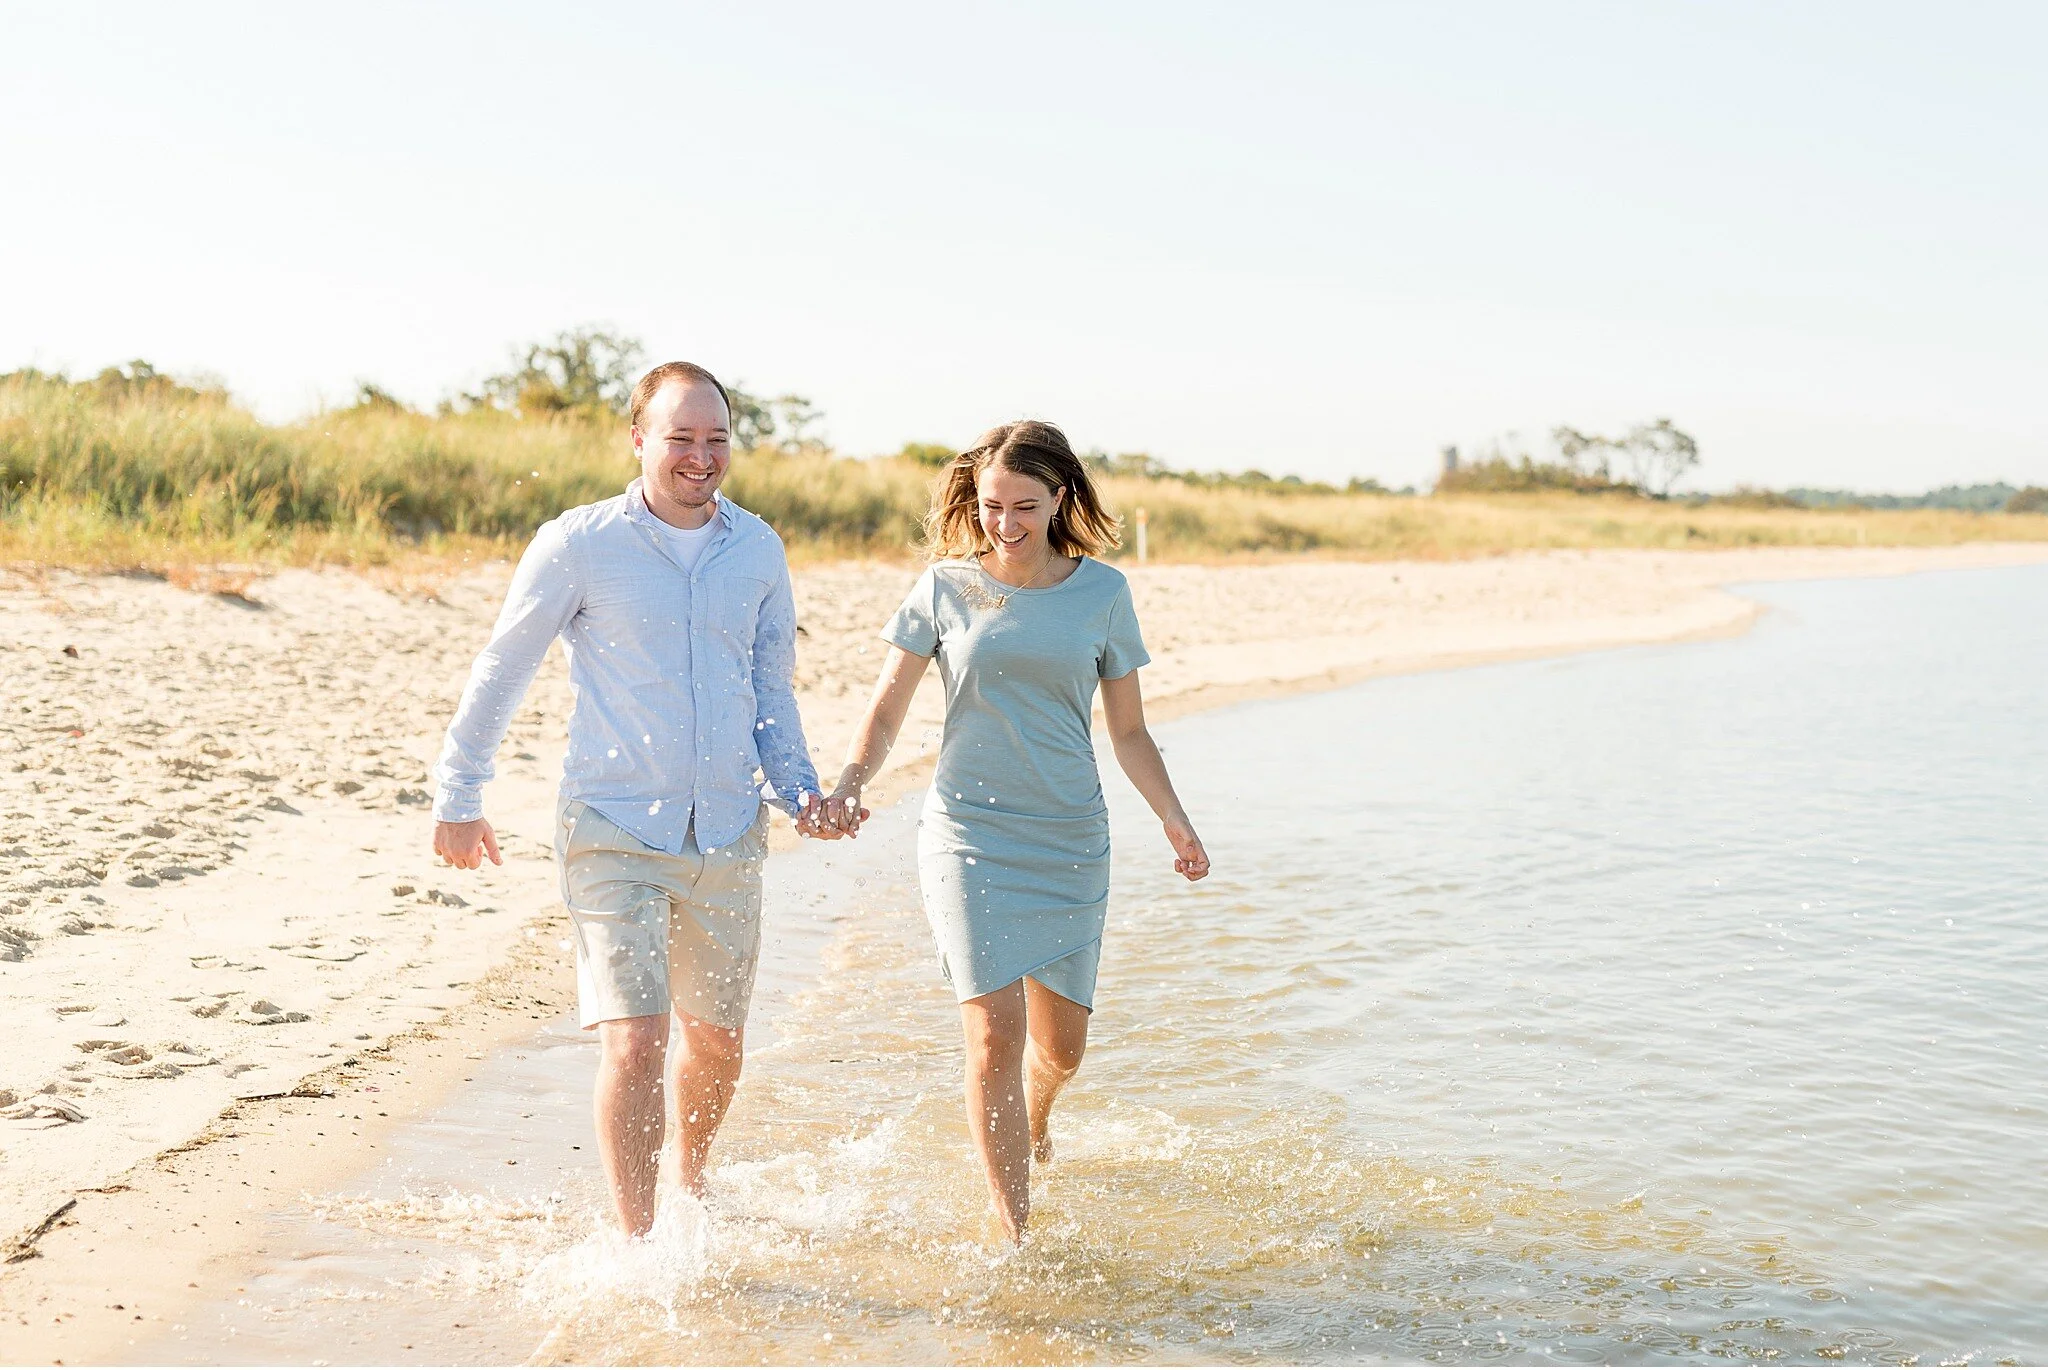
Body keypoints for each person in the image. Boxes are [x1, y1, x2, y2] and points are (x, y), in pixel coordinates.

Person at [429, 360, 836, 1237]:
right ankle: (639, 1243)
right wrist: (460, 793)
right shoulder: (579, 543)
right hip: (612, 825)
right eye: (681, 437)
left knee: (718, 1044)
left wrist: (803, 792)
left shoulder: (758, 549)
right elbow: (504, 665)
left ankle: (691, 1180)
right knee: (637, 1039)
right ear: (639, 438)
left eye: (716, 439)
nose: (700, 456)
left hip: (729, 829)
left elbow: (771, 690)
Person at [823, 419, 1210, 1242]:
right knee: (993, 1034)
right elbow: (888, 705)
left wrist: (1175, 821)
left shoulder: (1102, 593)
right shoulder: (945, 587)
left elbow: (1131, 732)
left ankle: (1036, 1121)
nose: (1004, 523)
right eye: (992, 506)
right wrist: (852, 780)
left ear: (1059, 499)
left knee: (1060, 1050)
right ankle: (1013, 1232)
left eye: (1024, 506)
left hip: (1069, 840)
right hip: (968, 834)